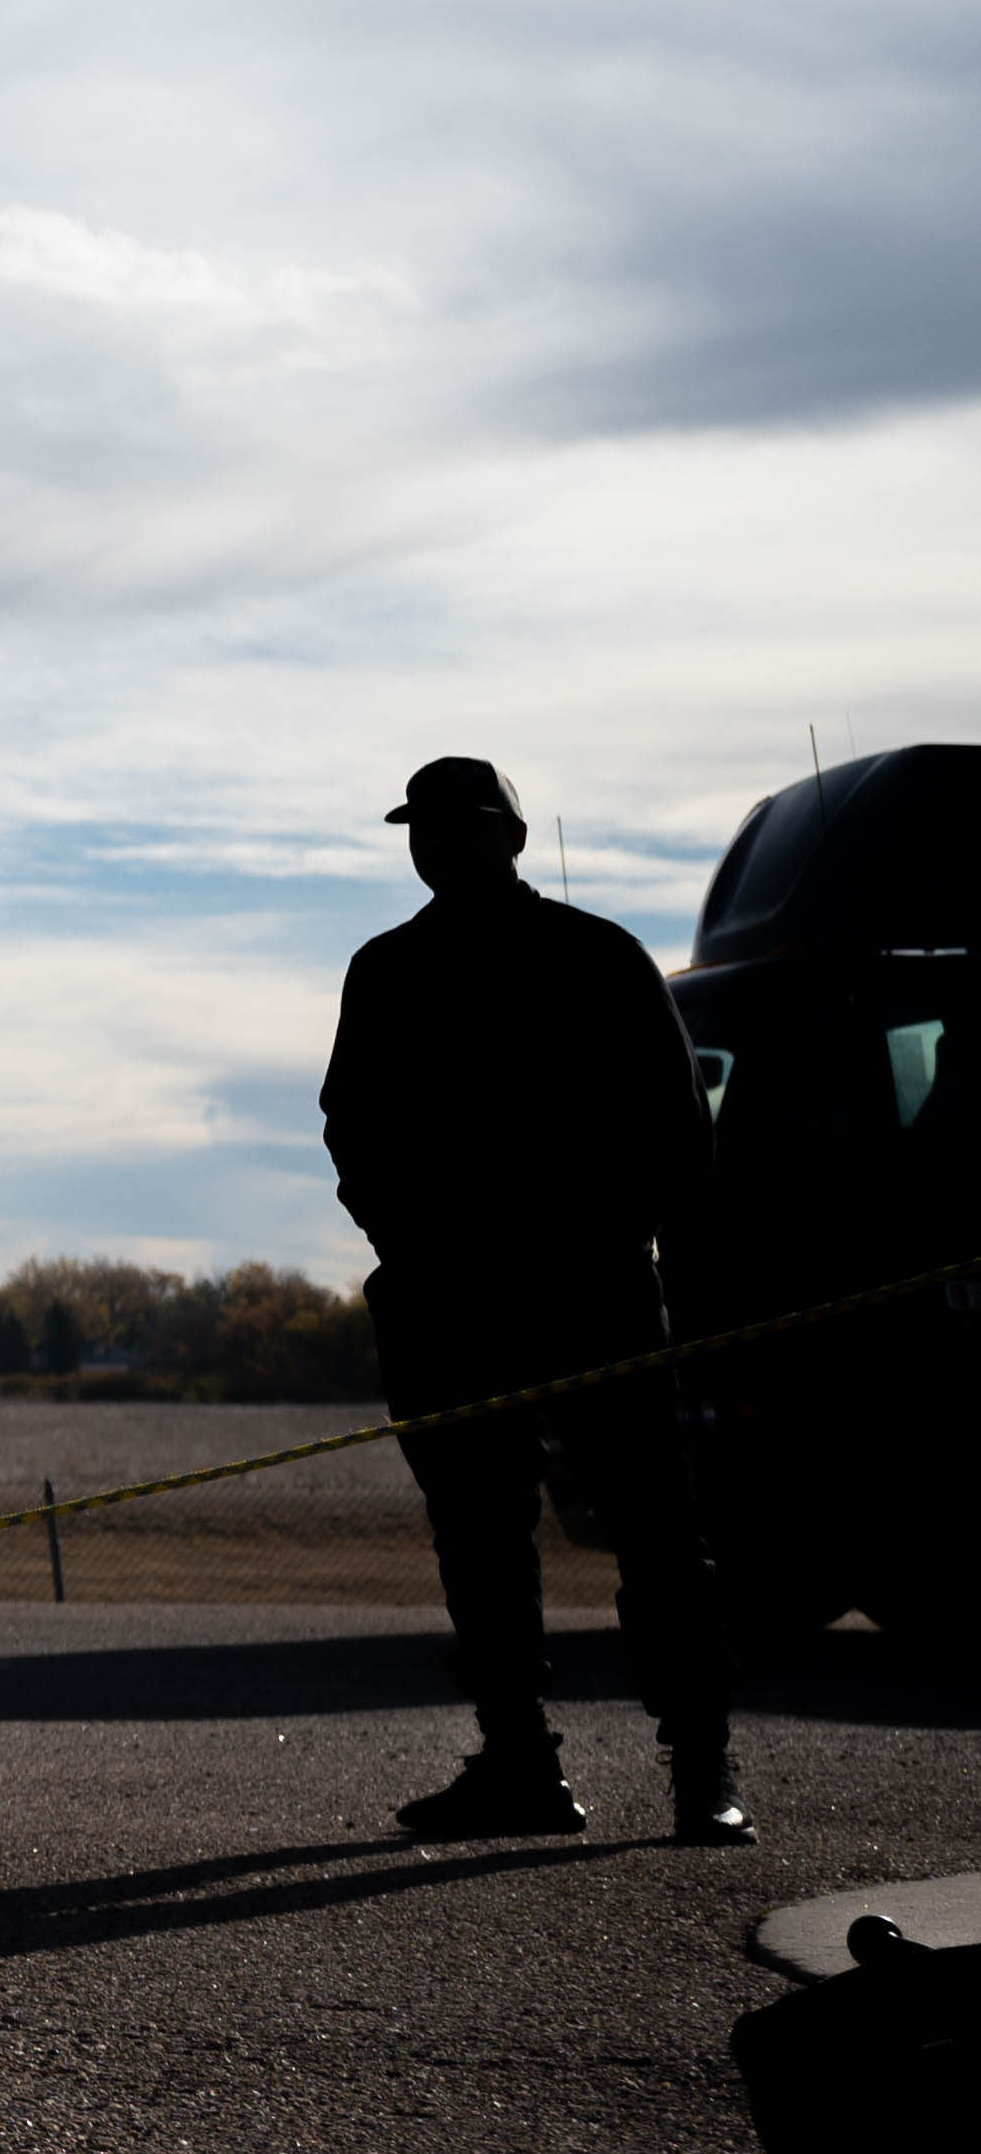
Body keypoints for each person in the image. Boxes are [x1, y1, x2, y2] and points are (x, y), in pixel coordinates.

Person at [321, 754, 747, 1847]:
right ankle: (520, 1763)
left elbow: (677, 1138)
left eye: (460, 826)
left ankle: (701, 1767)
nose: (436, 844)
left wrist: (668, 1288)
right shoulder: (387, 971)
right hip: (446, 1306)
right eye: (421, 827)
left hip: (593, 1298)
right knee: (479, 1539)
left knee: (656, 1535)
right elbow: (352, 1129)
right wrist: (407, 1247)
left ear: (507, 838)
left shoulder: (599, 956)